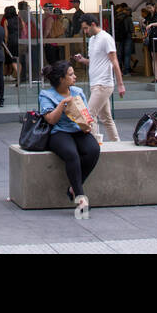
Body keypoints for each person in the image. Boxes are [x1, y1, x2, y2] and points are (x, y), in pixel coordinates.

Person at [39, 60, 100, 213]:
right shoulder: (46, 95)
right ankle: (80, 197)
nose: (75, 77)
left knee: (93, 150)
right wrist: (62, 105)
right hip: (58, 132)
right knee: (72, 154)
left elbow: (86, 115)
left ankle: (73, 188)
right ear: (61, 79)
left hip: (78, 130)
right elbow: (51, 120)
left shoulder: (78, 92)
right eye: (71, 74)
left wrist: (88, 125)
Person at [74, 14, 124, 140]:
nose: (85, 31)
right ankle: (116, 143)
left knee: (89, 115)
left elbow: (114, 61)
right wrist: (82, 60)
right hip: (97, 83)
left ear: (93, 25)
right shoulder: (92, 40)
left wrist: (120, 84)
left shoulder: (106, 38)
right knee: (106, 118)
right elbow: (94, 61)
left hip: (103, 84)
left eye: (86, 28)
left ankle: (95, 143)